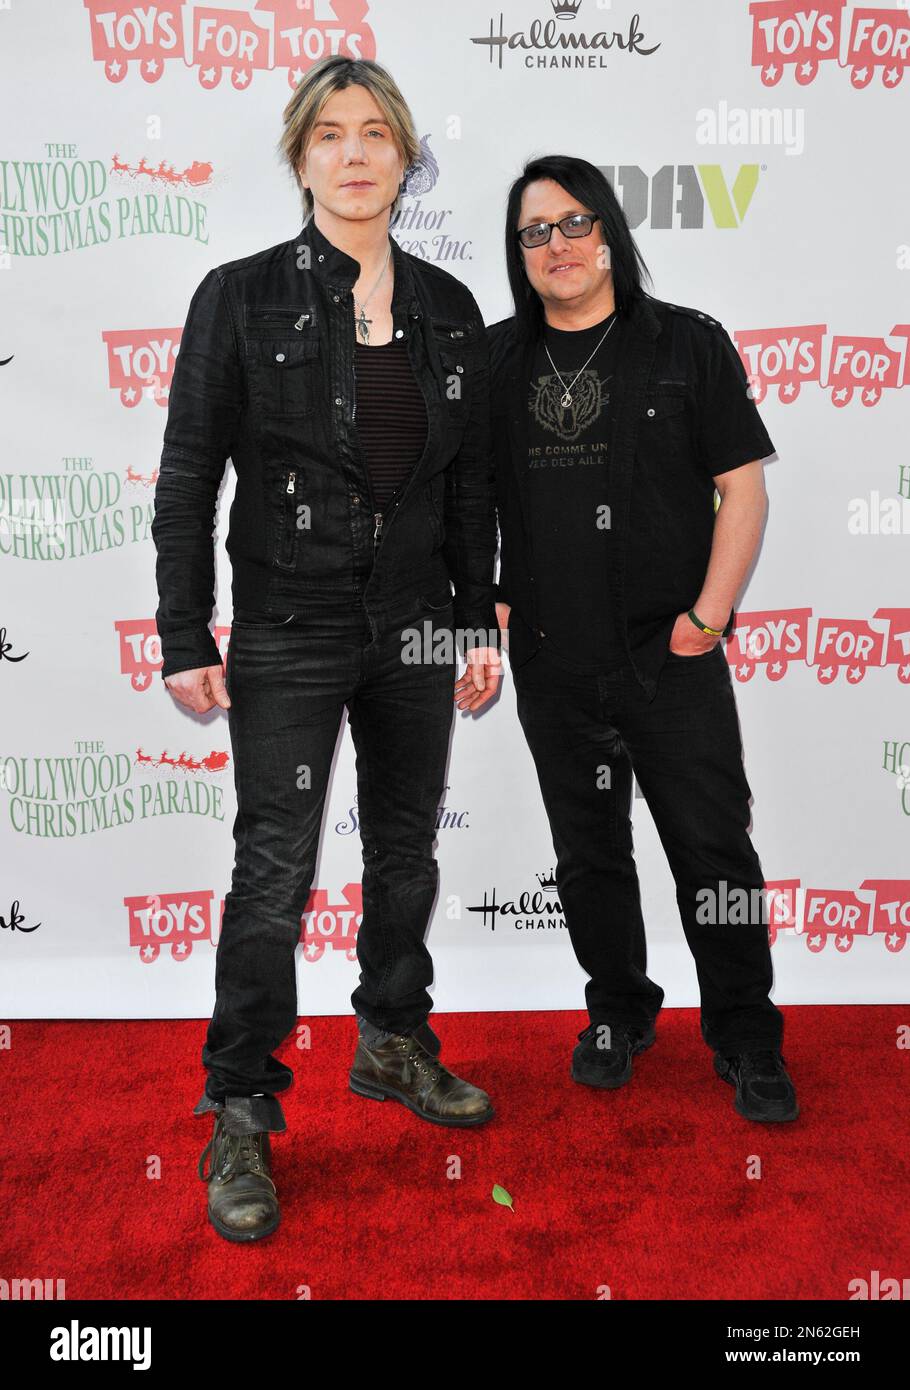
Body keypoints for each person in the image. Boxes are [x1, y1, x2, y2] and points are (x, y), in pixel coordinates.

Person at [152, 56, 502, 1243]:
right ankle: (241, 1108)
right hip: (289, 627)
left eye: (376, 135)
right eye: (330, 136)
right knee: (274, 873)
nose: (354, 155)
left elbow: (465, 488)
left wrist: (471, 613)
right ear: (300, 158)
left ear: (406, 158)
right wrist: (183, 628)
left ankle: (393, 1041)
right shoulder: (238, 297)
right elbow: (188, 478)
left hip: (411, 625)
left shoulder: (452, 310)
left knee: (403, 855)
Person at [486, 154, 798, 1125]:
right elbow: (472, 502)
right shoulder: (496, 362)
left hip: (671, 663)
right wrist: (490, 603)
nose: (558, 246)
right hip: (554, 663)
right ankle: (617, 1011)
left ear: (610, 233)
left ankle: (745, 1034)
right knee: (588, 858)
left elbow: (742, 488)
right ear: (520, 254)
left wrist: (705, 622)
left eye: (575, 223)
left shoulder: (686, 345)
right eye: (535, 232)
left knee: (713, 854)